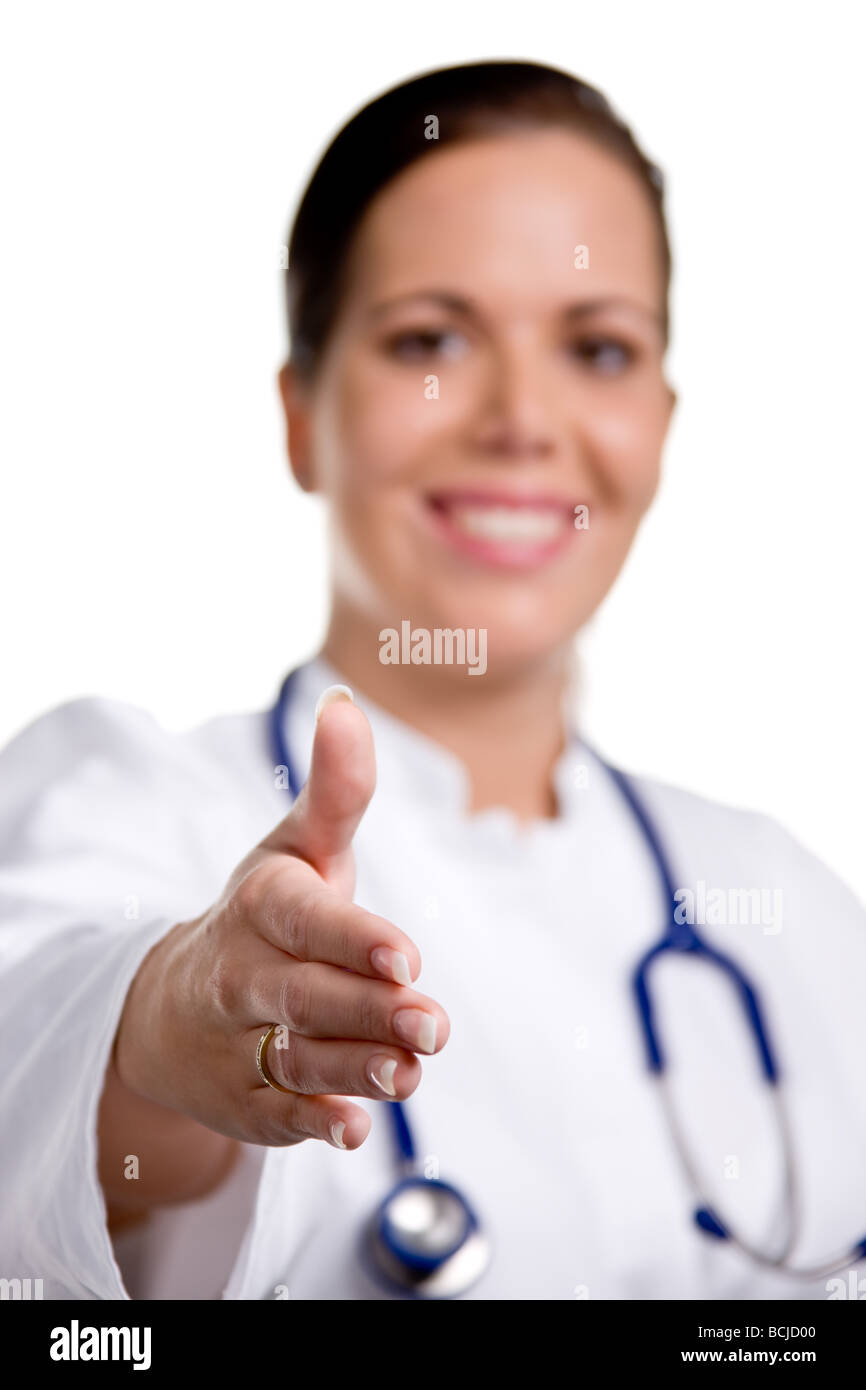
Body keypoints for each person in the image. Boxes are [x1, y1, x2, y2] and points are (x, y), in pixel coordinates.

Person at [1, 60, 864, 1302]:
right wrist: (166, 1035)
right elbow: (28, 1049)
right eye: (431, 339)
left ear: (662, 425)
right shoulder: (123, 802)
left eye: (598, 347)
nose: (521, 418)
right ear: (301, 414)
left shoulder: (788, 902)